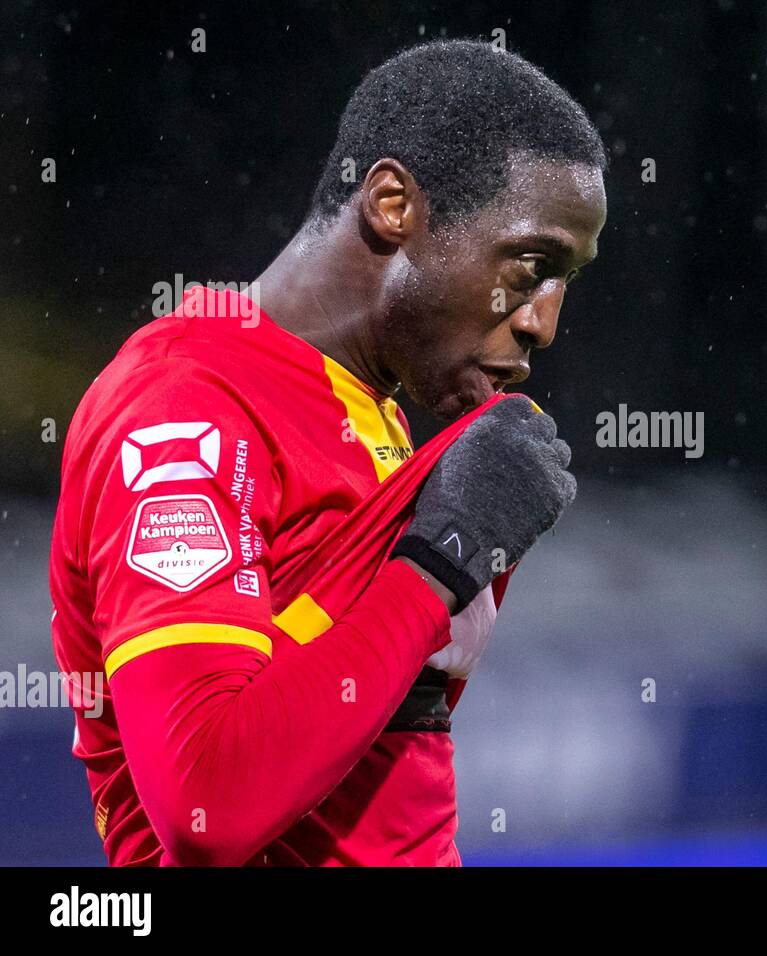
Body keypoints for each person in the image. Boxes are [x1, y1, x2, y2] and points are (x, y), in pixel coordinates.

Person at [48, 39, 608, 866]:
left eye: (567, 283)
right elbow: (209, 808)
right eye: (531, 267)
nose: (543, 322)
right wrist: (435, 566)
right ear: (391, 204)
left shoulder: (366, 418)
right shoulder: (182, 413)